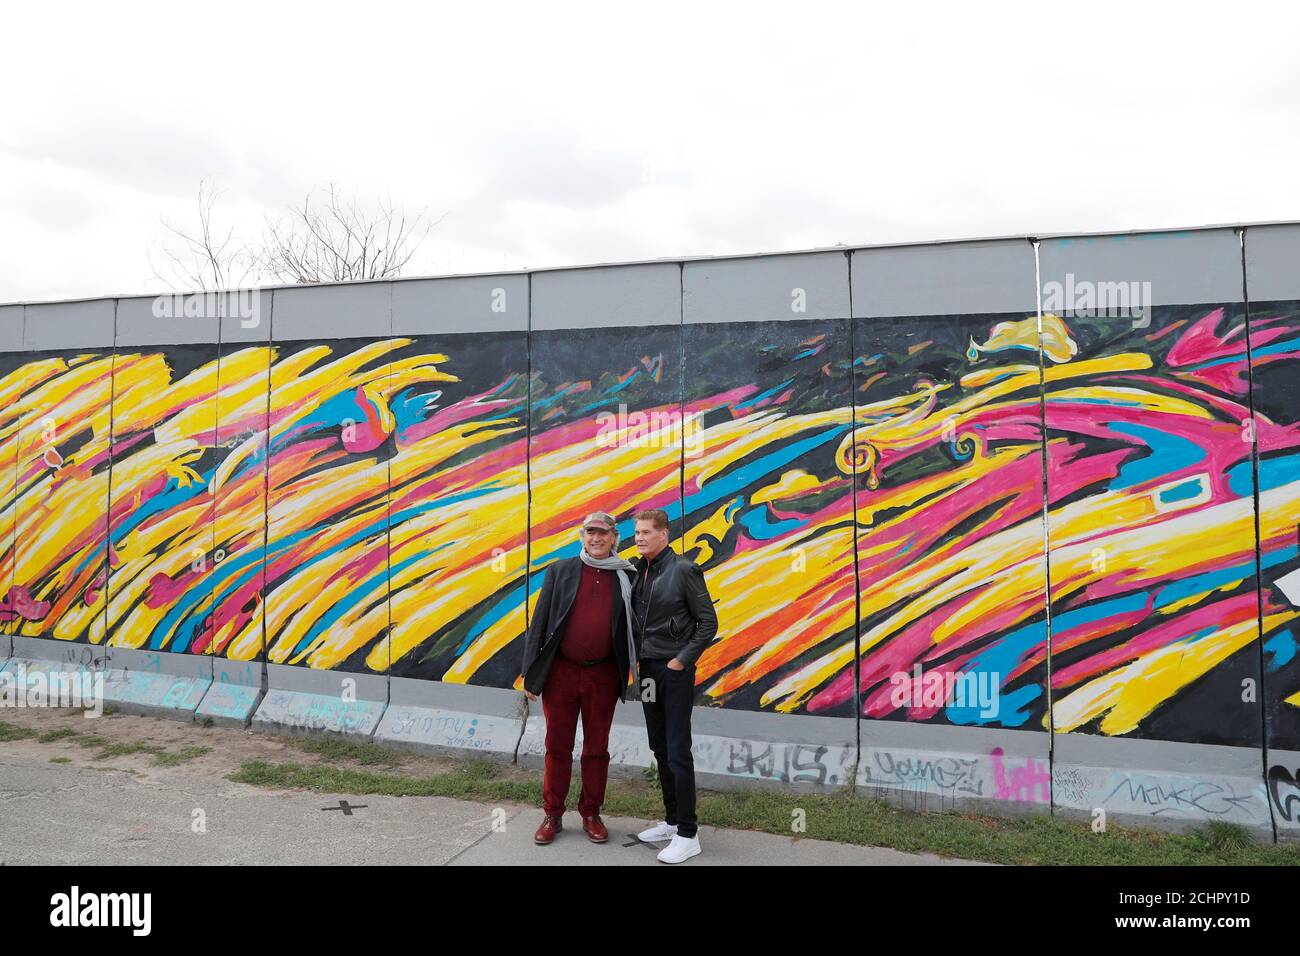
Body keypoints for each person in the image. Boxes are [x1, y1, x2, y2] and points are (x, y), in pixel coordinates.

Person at [520, 511, 637, 846]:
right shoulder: (561, 571)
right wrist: (532, 674)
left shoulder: (626, 576)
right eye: (590, 533)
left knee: (596, 748)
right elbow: (540, 622)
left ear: (615, 537)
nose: (596, 539)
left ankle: (591, 813)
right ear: (582, 536)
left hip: (604, 673)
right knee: (556, 745)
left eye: (603, 533)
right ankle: (552, 814)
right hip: (561, 673)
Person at [629, 507, 717, 864]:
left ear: (664, 534)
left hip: (673, 672)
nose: (638, 538)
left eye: (646, 532)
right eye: (636, 532)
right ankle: (671, 820)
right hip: (647, 671)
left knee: (678, 748)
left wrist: (680, 661)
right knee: (658, 744)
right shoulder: (638, 571)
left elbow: (707, 622)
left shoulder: (684, 570)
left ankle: (688, 833)